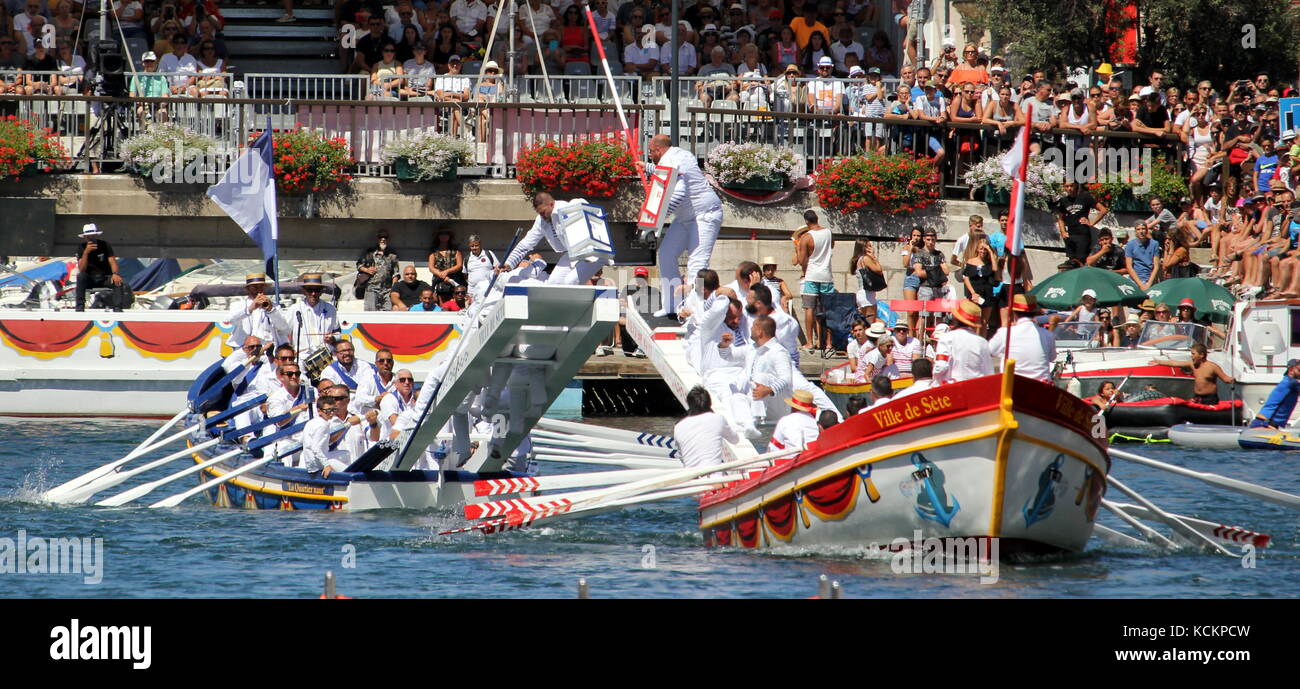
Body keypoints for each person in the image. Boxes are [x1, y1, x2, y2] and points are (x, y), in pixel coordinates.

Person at [643, 134, 724, 316]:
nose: (650, 156)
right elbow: (663, 171)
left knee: (697, 262)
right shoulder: (678, 154)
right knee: (666, 253)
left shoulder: (671, 161)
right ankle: (671, 305)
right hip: (685, 217)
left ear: (659, 150)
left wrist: (653, 220)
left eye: (650, 153)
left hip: (705, 215)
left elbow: (678, 194)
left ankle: (693, 310)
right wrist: (647, 168)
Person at [501, 192, 612, 286]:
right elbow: (526, 244)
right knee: (553, 283)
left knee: (571, 281)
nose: (542, 216)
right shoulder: (541, 221)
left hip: (594, 251)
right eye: (539, 213)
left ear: (552, 204)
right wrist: (508, 264)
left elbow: (584, 204)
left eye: (543, 212)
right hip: (572, 253)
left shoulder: (570, 207)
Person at [990, 294, 1056, 382]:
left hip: (1014, 387)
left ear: (1014, 312)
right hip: (1041, 387)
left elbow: (990, 351)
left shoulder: (1005, 333)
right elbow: (1052, 357)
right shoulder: (1047, 334)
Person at [796, 209, 835, 353]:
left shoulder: (806, 237)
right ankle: (829, 343)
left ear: (806, 222)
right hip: (827, 276)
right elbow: (831, 247)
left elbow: (801, 260)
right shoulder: (828, 233)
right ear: (817, 219)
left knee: (809, 308)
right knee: (828, 310)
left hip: (812, 276)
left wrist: (798, 248)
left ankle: (810, 342)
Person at [674, 386, 740, 469]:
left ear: (689, 404)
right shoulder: (718, 419)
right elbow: (735, 440)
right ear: (710, 403)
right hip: (714, 476)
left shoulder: (678, 426)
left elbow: (681, 455)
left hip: (692, 478)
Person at [1150, 343, 1234, 406]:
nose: (1191, 356)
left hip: (1210, 399)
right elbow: (1175, 363)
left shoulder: (1213, 367)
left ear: (1201, 355)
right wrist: (1159, 362)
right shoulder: (1192, 364)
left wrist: (1233, 379)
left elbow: (1225, 378)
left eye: (1193, 354)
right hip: (1197, 397)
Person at [934, 299, 993, 384]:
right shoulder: (982, 342)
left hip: (952, 387)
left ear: (956, 319)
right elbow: (989, 372)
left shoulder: (946, 338)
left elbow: (940, 367)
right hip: (975, 387)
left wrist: (935, 381)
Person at [225, 273, 289, 348]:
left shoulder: (274, 306)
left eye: (261, 287)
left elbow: (284, 328)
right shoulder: (238, 305)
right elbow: (230, 320)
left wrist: (271, 310)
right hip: (244, 348)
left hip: (266, 348)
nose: (258, 290)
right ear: (248, 289)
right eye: (255, 287)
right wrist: (250, 309)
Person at [73, 224, 122, 312]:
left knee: (117, 280)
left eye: (93, 237)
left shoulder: (105, 245)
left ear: (96, 236)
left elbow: (112, 261)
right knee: (80, 277)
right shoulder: (81, 247)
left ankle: (117, 307)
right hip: (90, 278)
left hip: (104, 276)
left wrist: (115, 274)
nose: (91, 240)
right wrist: (86, 253)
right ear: (85, 237)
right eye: (88, 237)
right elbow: (82, 269)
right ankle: (80, 307)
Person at [287, 273, 340, 354]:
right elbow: (284, 332)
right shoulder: (294, 309)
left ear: (321, 291)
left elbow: (338, 333)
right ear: (304, 291)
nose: (313, 293)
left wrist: (332, 338)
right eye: (310, 290)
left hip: (326, 354)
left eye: (317, 290)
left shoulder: (331, 309)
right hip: (302, 355)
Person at [1249, 358, 1300, 429]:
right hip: (1265, 424)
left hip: (1265, 423)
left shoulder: (1287, 382)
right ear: (1291, 370)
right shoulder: (1291, 383)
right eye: (1299, 370)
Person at [356, 230, 400, 311]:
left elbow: (396, 273)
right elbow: (359, 265)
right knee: (371, 313)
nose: (383, 239)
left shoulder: (392, 254)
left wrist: (393, 288)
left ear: (388, 239)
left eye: (385, 237)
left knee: (388, 312)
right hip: (372, 288)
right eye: (381, 237)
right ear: (377, 239)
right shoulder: (370, 252)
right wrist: (367, 269)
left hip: (387, 290)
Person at [354, 348, 397, 414]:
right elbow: (359, 399)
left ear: (393, 363)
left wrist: (389, 397)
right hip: (371, 419)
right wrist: (376, 399)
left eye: (389, 361)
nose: (385, 363)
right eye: (381, 361)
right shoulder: (368, 378)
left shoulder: (399, 380)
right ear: (376, 364)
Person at [379, 368, 418, 438]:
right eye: (402, 380)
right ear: (395, 384)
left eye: (410, 380)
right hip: (391, 444)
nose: (407, 382)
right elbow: (396, 423)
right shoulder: (388, 399)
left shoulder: (417, 399)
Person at [426, 229, 463, 301]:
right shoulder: (434, 251)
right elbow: (431, 267)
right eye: (441, 234)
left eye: (446, 234)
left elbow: (459, 265)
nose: (444, 236)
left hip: (453, 282)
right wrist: (441, 275)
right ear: (438, 236)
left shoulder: (455, 251)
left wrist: (447, 272)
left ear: (449, 236)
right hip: (438, 282)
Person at [462, 234, 498, 300]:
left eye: (476, 245)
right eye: (472, 246)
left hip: (488, 290)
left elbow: (497, 268)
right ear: (469, 246)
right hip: (472, 292)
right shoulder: (466, 259)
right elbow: (465, 274)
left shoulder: (489, 254)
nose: (474, 248)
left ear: (480, 245)